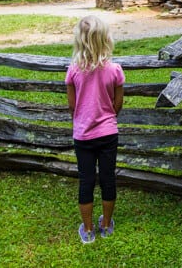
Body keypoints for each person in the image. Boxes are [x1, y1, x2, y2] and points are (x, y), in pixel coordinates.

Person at [66, 15, 125, 244]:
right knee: (108, 179)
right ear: (105, 39)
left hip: (83, 135)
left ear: (79, 41)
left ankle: (89, 230)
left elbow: (72, 105)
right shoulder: (115, 70)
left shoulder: (73, 71)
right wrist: (107, 118)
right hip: (108, 133)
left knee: (86, 181)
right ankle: (107, 225)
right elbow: (117, 104)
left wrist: (82, 118)